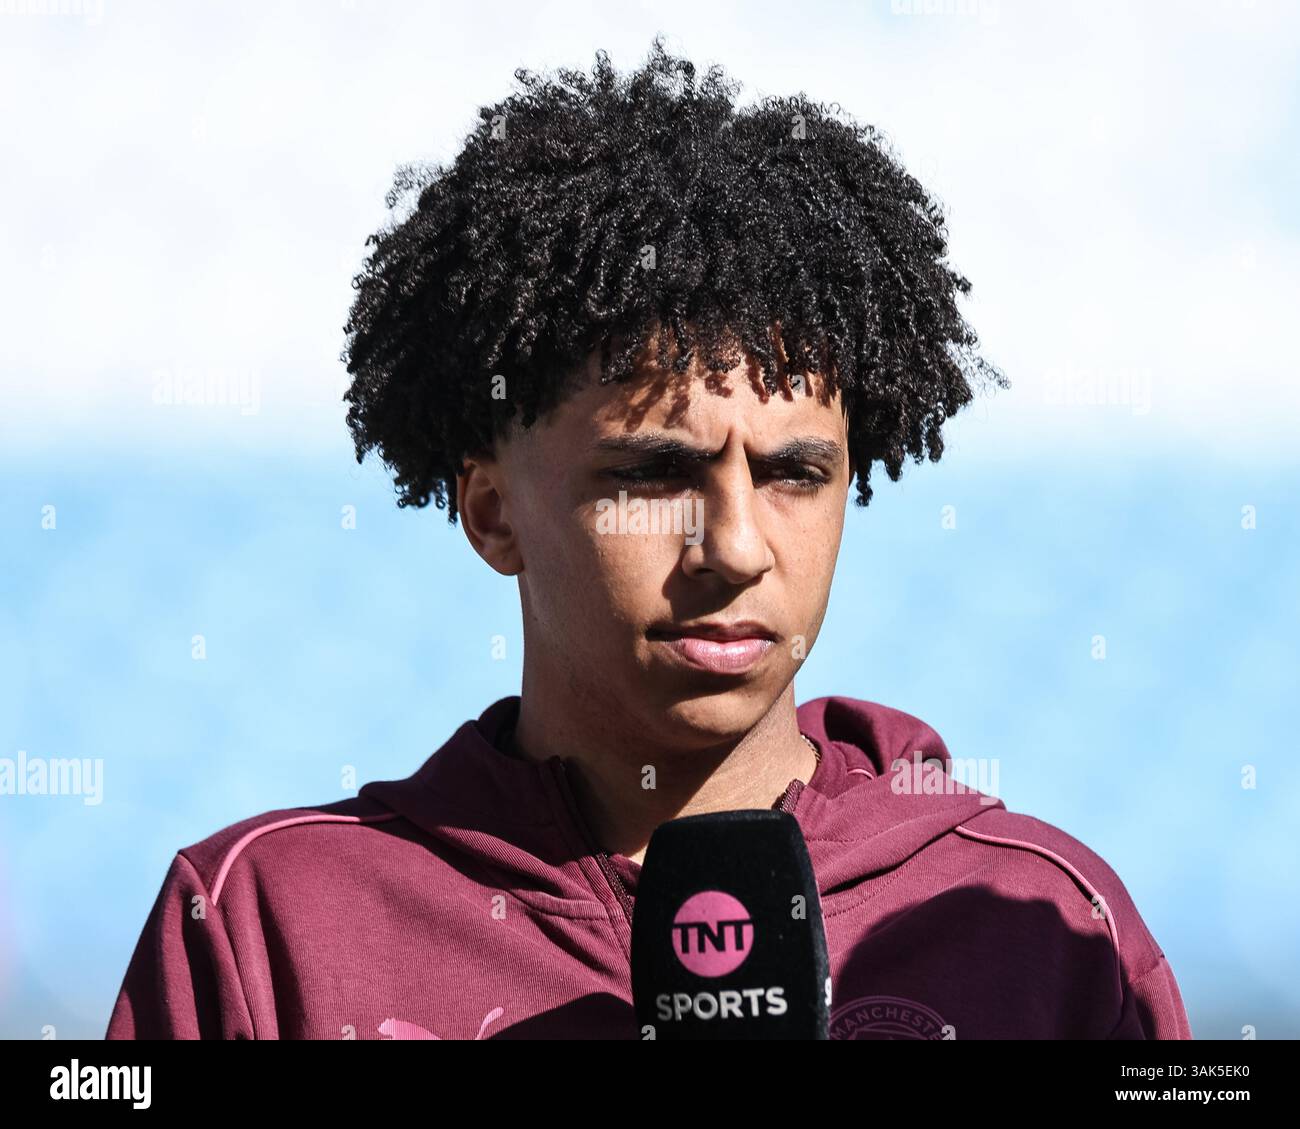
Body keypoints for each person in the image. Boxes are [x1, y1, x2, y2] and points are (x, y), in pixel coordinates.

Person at [106, 38, 1190, 1040]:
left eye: (793, 474)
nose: (734, 546)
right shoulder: (264, 924)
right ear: (491, 512)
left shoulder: (1047, 926)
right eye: (655, 474)